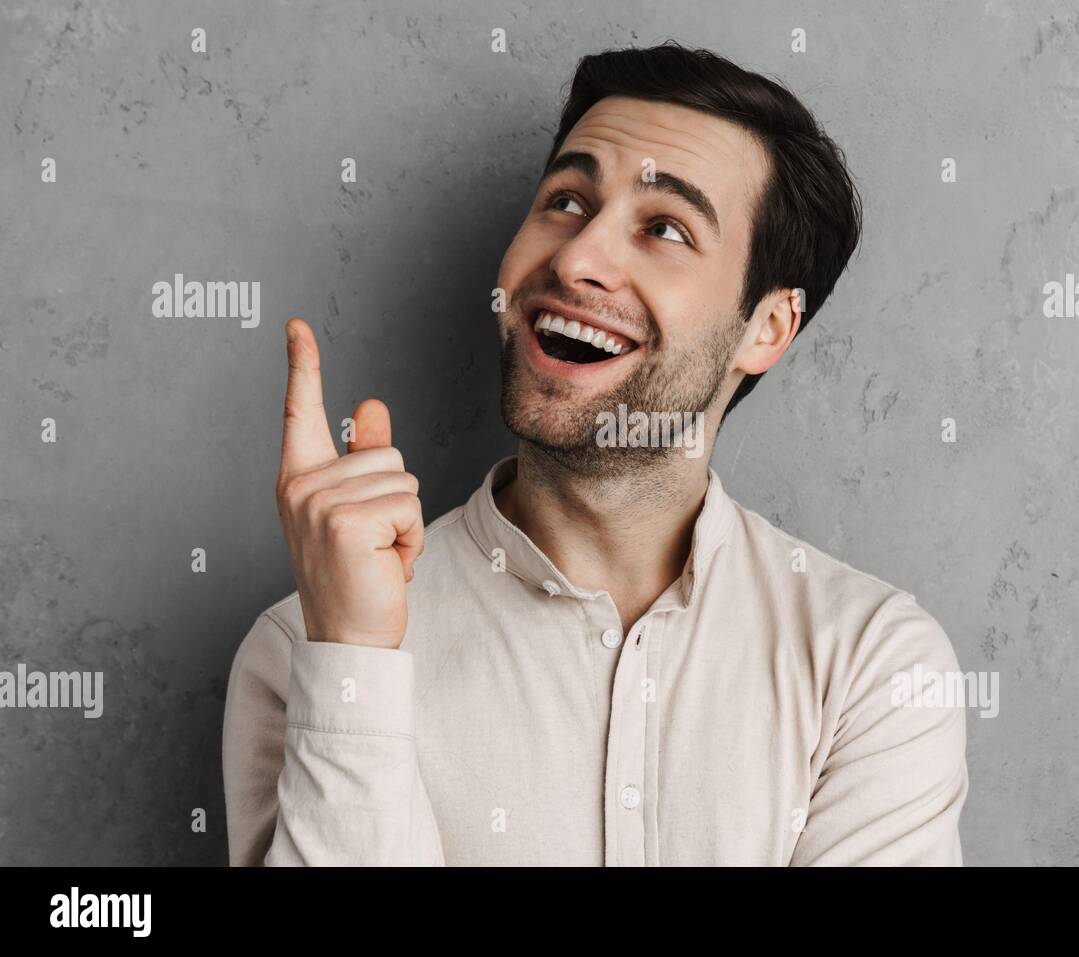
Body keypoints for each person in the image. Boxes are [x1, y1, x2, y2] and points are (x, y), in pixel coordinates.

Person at [222, 42, 968, 866]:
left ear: (767, 328)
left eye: (665, 228)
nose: (576, 259)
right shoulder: (306, 651)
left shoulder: (873, 664)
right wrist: (354, 661)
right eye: (568, 202)